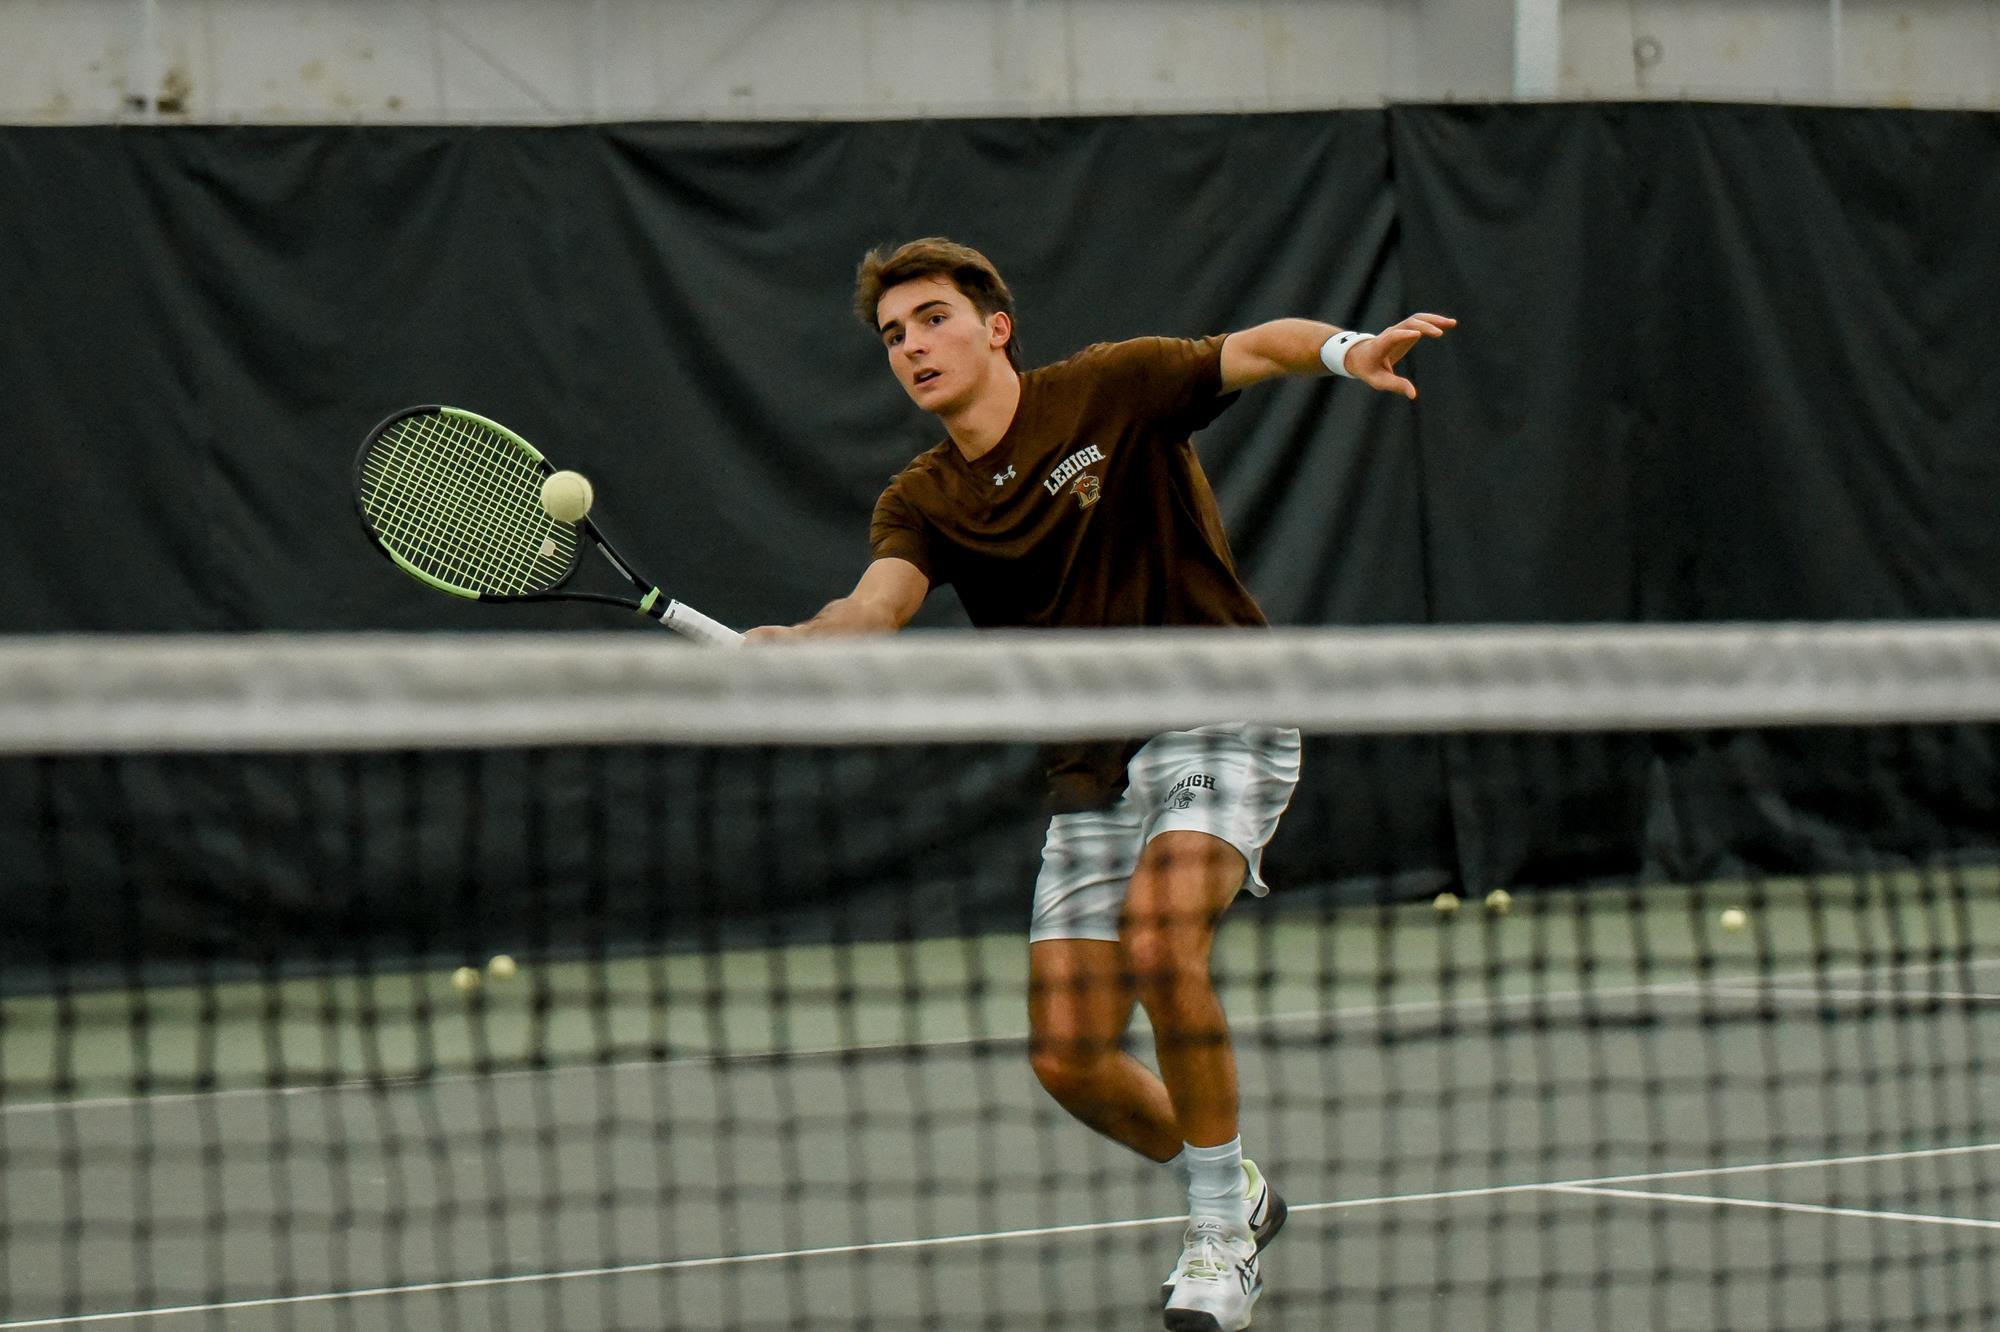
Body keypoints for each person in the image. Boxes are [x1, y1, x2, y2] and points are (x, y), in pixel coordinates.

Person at [748, 237, 1452, 1332]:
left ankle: (1218, 1236)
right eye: (892, 335)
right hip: (1090, 768)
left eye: (931, 318)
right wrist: (805, 640)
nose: (911, 346)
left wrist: (1347, 349)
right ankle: (1240, 1183)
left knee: (1161, 941)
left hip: (1216, 703)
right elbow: (873, 607)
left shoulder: (1109, 391)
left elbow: (1252, 351)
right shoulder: (922, 500)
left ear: (994, 328)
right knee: (1068, 1055)